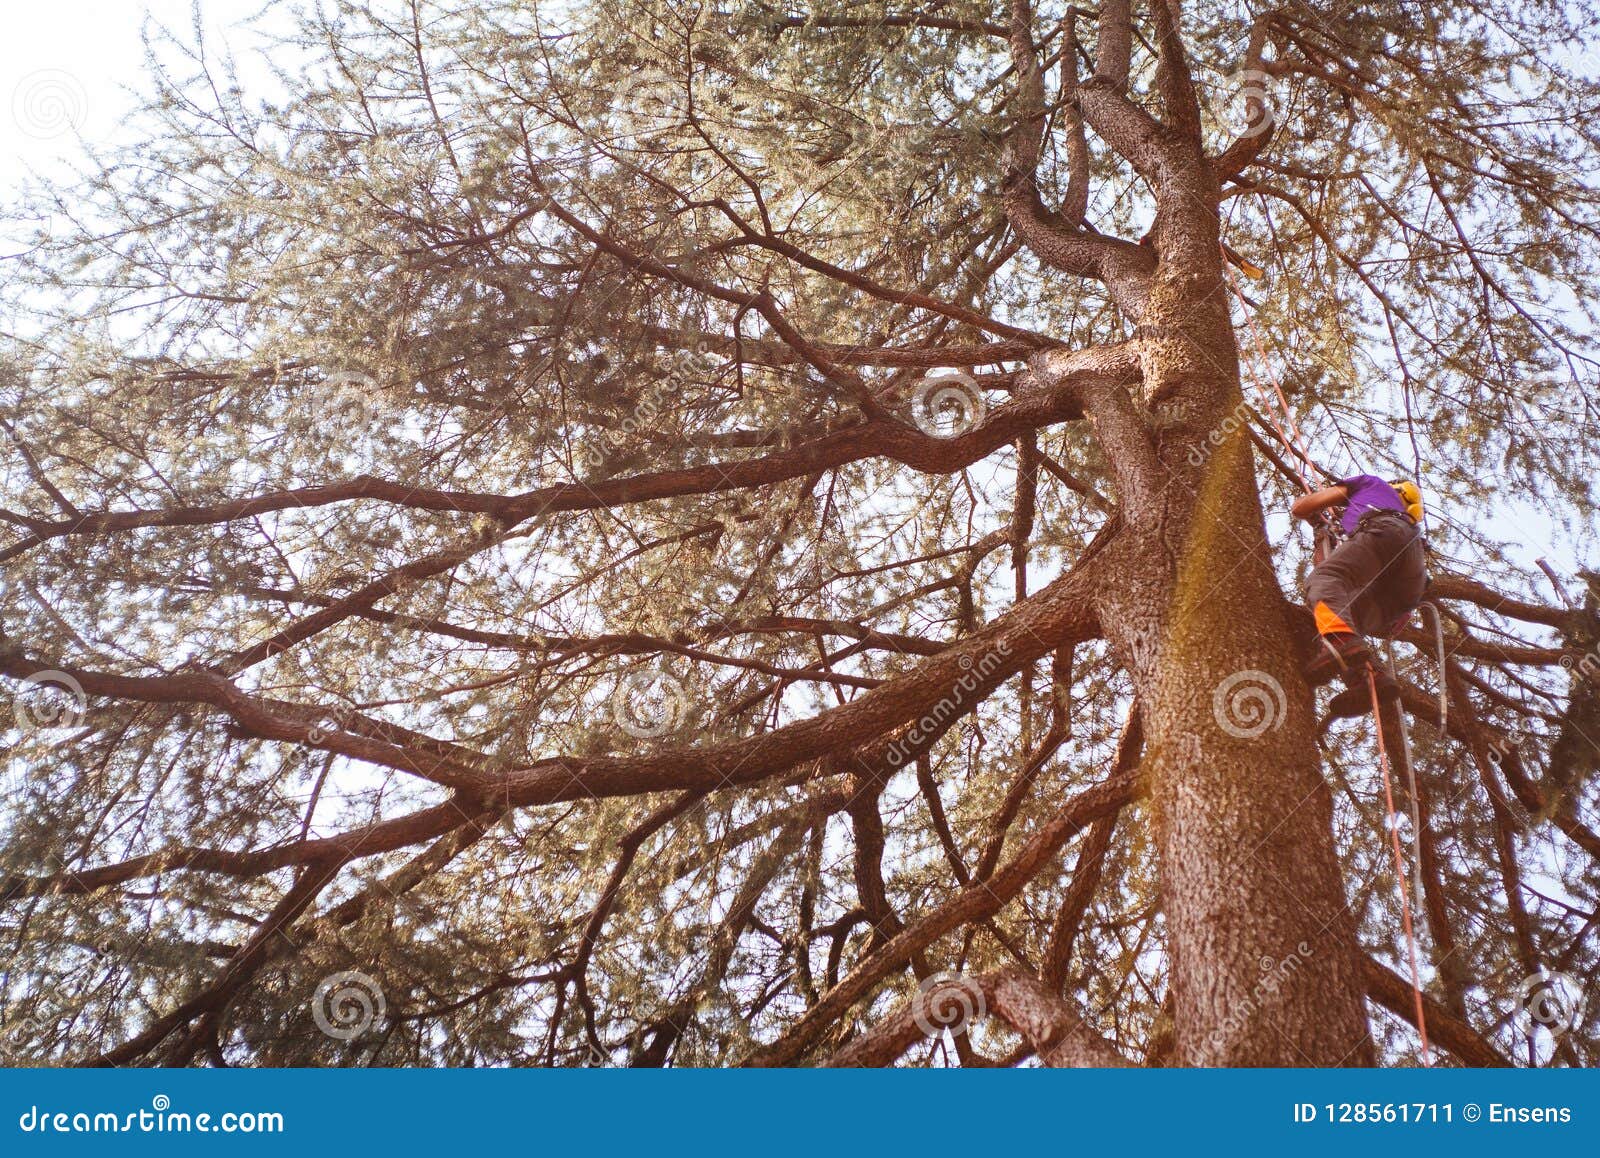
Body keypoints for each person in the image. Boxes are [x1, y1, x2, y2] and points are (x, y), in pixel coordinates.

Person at [1292, 475, 1427, 691]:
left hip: (1385, 533)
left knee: (1326, 581)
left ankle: (1340, 640)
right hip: (1411, 582)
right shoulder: (1385, 522)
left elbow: (1300, 508)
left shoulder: (1370, 483)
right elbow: (1328, 568)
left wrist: (1313, 512)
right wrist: (1321, 531)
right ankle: (1368, 680)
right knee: (1343, 609)